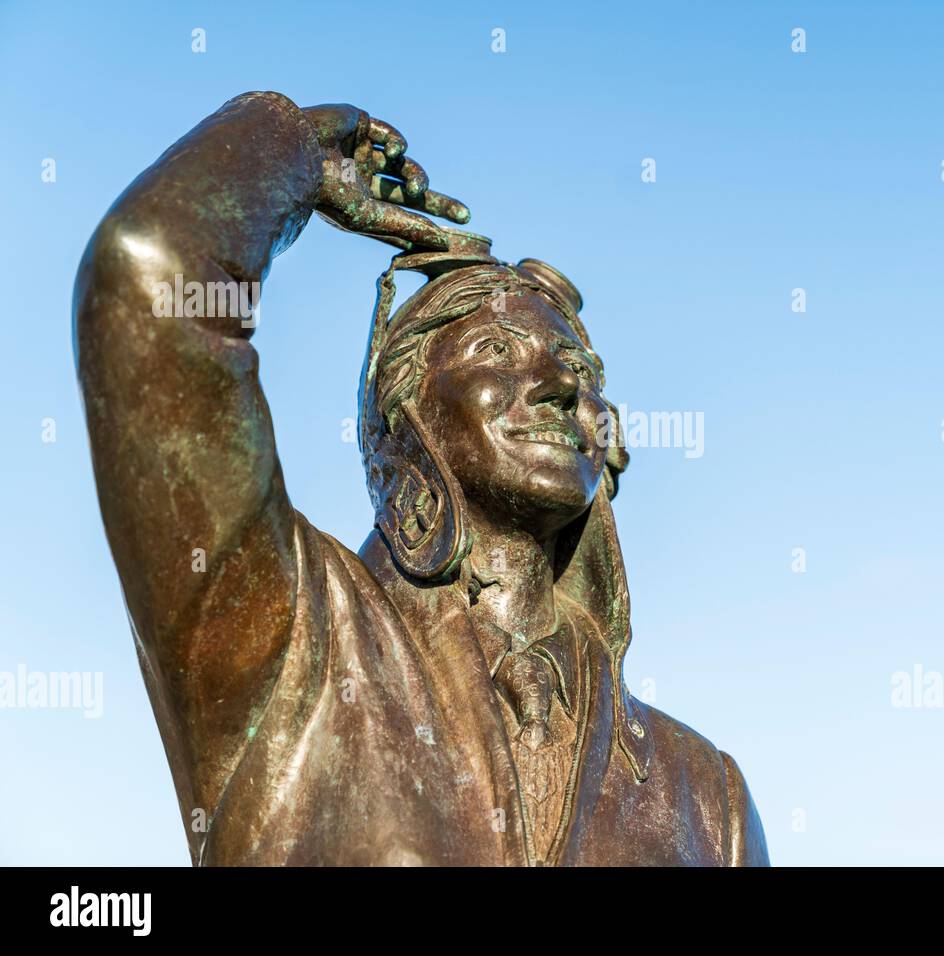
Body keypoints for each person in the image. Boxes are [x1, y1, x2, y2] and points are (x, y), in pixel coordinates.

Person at [74, 91, 768, 866]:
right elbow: (148, 278)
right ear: (407, 413)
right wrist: (294, 154)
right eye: (495, 354)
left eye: (576, 367)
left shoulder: (709, 796)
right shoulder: (298, 634)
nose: (555, 384)